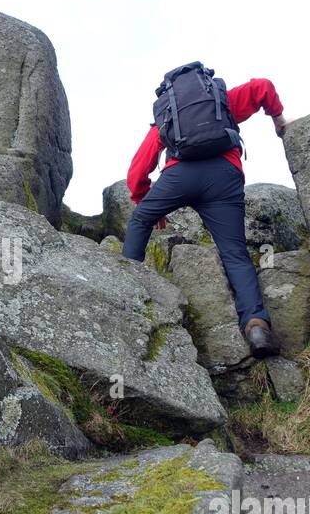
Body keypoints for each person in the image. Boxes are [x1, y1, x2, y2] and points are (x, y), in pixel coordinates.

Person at [122, 73, 287, 357]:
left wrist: (145, 202)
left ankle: (123, 292)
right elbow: (263, 87)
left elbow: (138, 170)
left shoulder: (168, 116)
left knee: (140, 219)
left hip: (179, 177)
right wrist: (278, 119)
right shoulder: (221, 101)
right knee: (234, 254)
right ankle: (256, 325)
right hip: (224, 175)